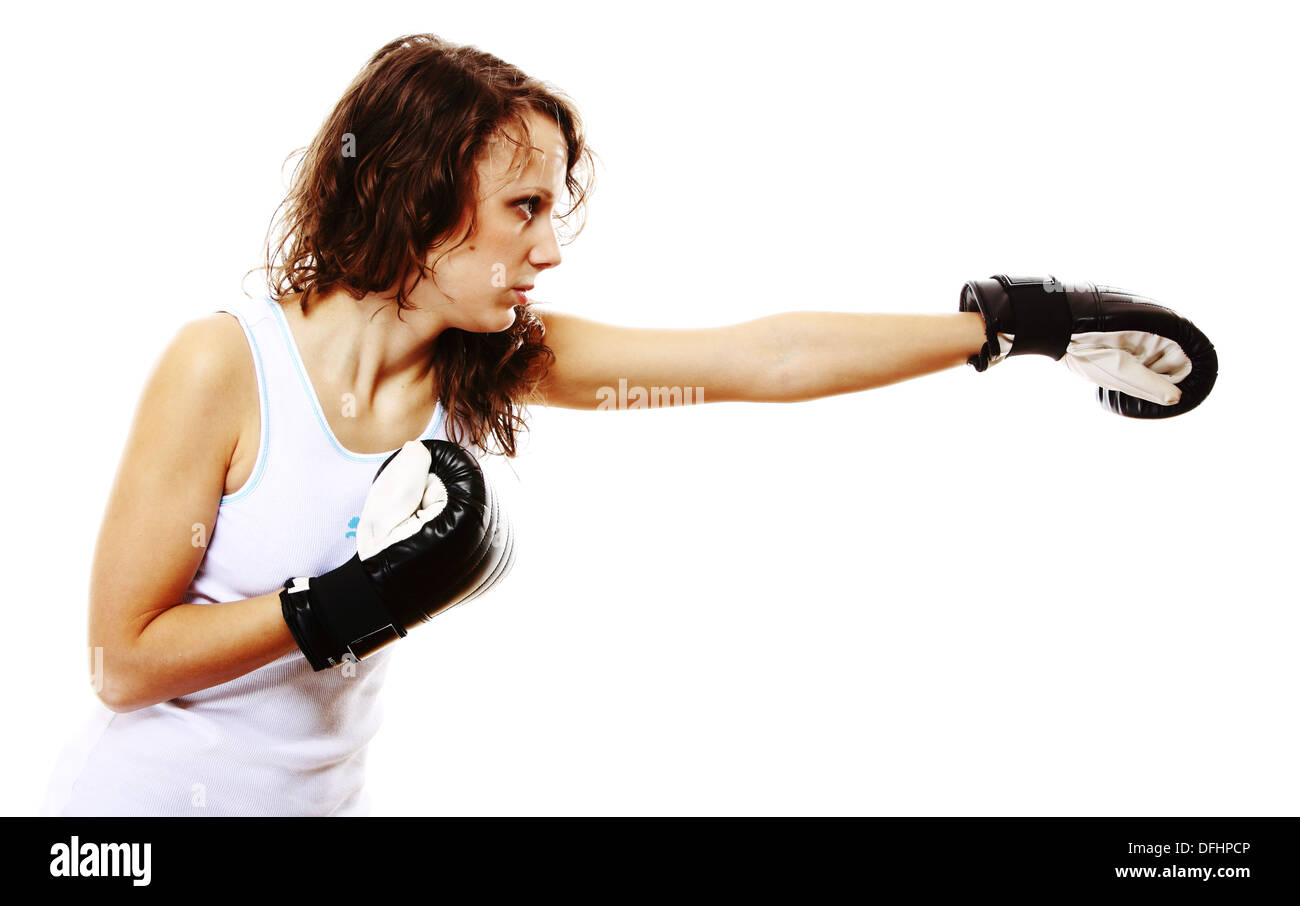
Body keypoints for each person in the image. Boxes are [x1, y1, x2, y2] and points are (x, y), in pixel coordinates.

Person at [40, 33, 1214, 816]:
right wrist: (350, 604)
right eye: (523, 207)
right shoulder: (226, 364)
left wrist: (1010, 328)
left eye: (555, 206)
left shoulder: (483, 363)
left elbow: (757, 357)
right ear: (416, 195)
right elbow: (121, 661)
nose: (549, 247)